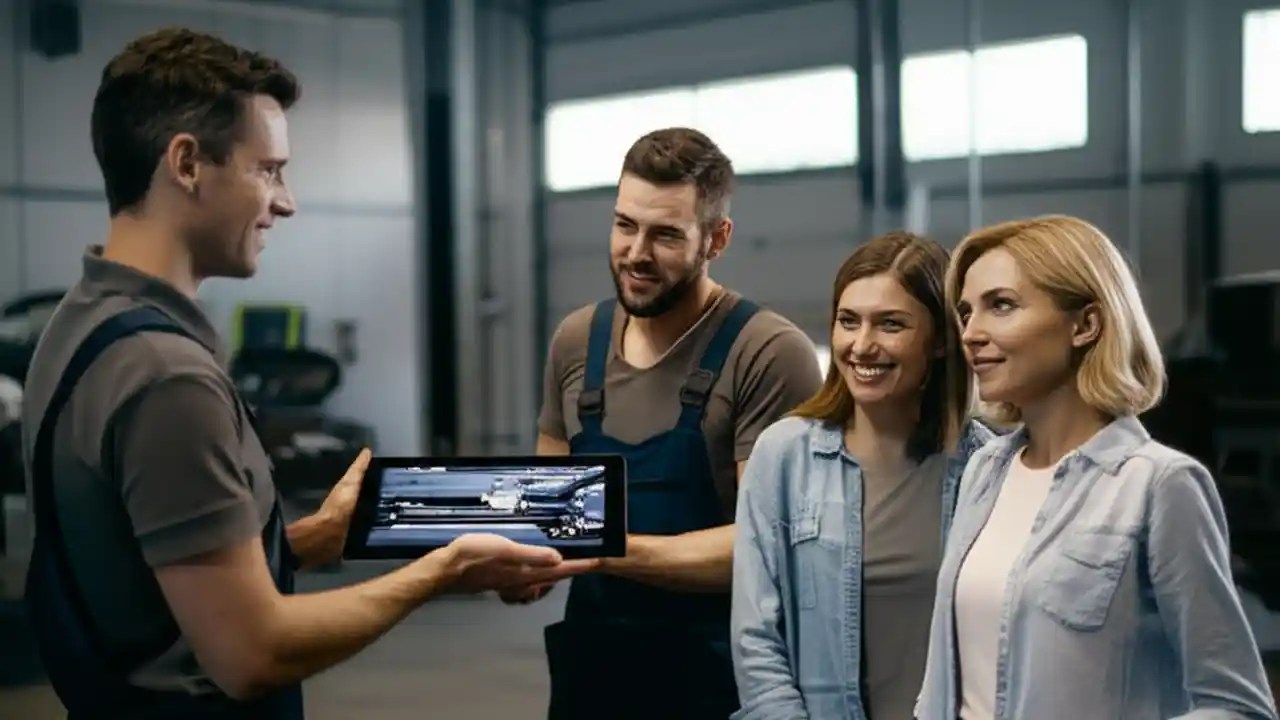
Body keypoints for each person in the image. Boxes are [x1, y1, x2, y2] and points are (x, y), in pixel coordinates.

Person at [21, 28, 593, 719]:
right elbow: (253, 651)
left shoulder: (80, 323)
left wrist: (315, 539)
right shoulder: (167, 378)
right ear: (187, 163)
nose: (285, 201)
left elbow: (156, 576)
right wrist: (442, 570)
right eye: (268, 169)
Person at [914, 215, 1279, 720]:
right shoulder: (983, 471)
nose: (971, 333)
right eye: (966, 313)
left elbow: (1238, 705)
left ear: (1085, 325)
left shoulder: (1157, 485)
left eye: (1001, 306)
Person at [521, 127, 824, 719]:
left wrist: (604, 549)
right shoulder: (578, 339)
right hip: (593, 674)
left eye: (664, 235)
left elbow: (769, 545)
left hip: (717, 681)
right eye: (624, 225)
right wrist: (519, 561)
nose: (636, 253)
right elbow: (548, 503)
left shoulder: (766, 352)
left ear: (718, 238)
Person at [729, 231, 995, 719]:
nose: (862, 345)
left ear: (939, 340)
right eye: (848, 322)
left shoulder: (989, 468)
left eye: (890, 324)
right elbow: (756, 638)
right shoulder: (784, 457)